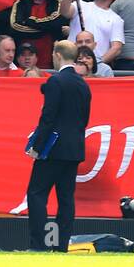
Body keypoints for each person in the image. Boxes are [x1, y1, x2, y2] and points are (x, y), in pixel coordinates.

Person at [26, 40, 92, 253]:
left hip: (52, 149)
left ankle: (40, 245)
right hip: (73, 150)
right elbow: (84, 119)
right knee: (65, 199)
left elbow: (48, 118)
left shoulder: (56, 81)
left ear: (57, 55)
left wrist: (37, 146)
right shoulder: (83, 83)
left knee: (37, 194)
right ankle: (60, 245)